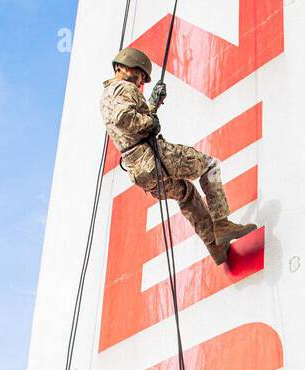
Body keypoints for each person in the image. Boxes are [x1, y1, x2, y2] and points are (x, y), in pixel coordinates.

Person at [101, 48, 257, 266]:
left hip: (141, 173)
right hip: (153, 156)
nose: (139, 83)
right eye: (138, 75)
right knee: (209, 166)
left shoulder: (109, 95)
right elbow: (123, 118)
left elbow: (127, 119)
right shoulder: (123, 87)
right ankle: (221, 224)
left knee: (187, 195)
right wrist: (149, 122)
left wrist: (154, 102)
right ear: (122, 66)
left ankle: (216, 248)